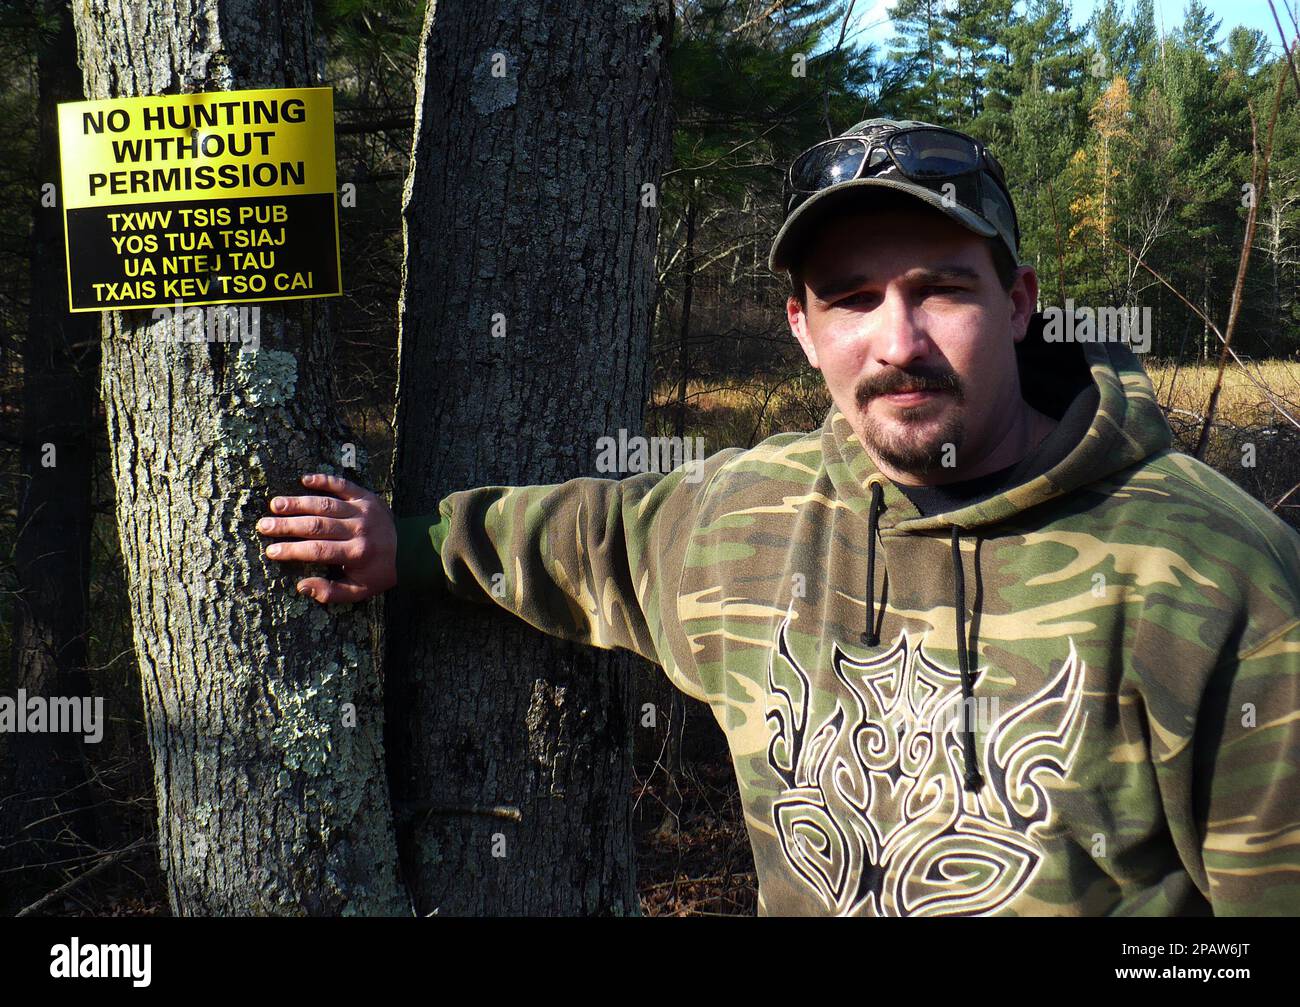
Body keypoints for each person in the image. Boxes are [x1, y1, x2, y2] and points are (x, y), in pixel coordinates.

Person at [258, 118, 1300, 916]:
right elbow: (594, 540)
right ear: (802, 328)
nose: (898, 340)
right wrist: (415, 543)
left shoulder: (1210, 572)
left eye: (940, 288)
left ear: (1019, 301)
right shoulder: (749, 519)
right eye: (851, 299)